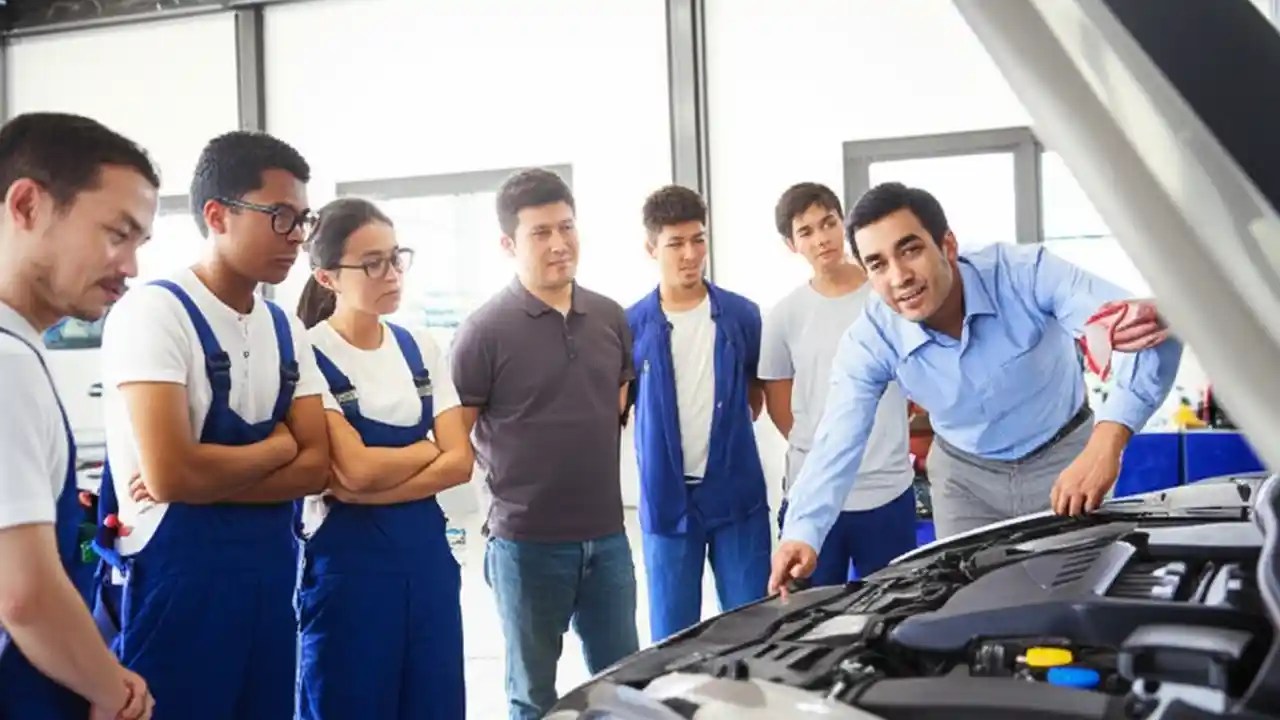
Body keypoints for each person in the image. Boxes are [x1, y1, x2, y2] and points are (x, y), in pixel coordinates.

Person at [770, 182, 1181, 594]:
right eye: (877, 265)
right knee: (973, 610)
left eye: (910, 249)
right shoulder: (869, 339)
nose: (899, 277)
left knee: (1080, 596)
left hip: (1066, 460)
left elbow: (1152, 332)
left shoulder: (1025, 273)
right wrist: (801, 532)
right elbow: (835, 439)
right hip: (965, 481)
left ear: (947, 245)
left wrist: (1106, 443)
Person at [95, 130, 330, 718]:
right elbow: (173, 477)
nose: (297, 237)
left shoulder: (285, 329)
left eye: (304, 219)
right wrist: (277, 448)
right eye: (280, 216)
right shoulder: (155, 313)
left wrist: (207, 474)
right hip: (174, 596)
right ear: (217, 215)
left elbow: (319, 465)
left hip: (268, 591)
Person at [450, 168, 639, 720]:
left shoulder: (608, 316)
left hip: (607, 540)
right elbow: (457, 439)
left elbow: (616, 406)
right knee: (532, 695)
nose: (559, 244)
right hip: (525, 546)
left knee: (622, 687)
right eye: (540, 233)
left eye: (567, 227)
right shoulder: (482, 332)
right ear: (508, 243)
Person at [0, 112, 156, 720]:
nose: (132, 266)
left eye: (141, 243)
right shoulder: (7, 364)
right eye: (118, 233)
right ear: (27, 205)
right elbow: (24, 595)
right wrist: (111, 688)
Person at [293, 198, 471, 720]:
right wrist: (425, 450)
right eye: (373, 263)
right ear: (327, 277)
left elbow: (460, 462)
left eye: (397, 258)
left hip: (429, 570)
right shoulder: (307, 354)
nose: (391, 274)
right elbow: (354, 470)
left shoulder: (421, 348)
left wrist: (367, 481)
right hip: (349, 581)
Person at [626, 185, 770, 641]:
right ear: (651, 248)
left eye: (698, 239)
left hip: (737, 498)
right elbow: (619, 409)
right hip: (667, 501)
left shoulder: (742, 316)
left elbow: (755, 395)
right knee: (671, 640)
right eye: (675, 243)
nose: (691, 254)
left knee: (753, 629)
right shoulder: (628, 327)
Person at [760, 182, 917, 585]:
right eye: (806, 231)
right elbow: (781, 406)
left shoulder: (887, 296)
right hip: (812, 495)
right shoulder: (785, 315)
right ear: (791, 244)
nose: (821, 238)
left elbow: (916, 379)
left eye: (828, 223)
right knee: (811, 621)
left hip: (887, 490)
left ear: (843, 222)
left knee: (893, 615)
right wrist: (826, 456)